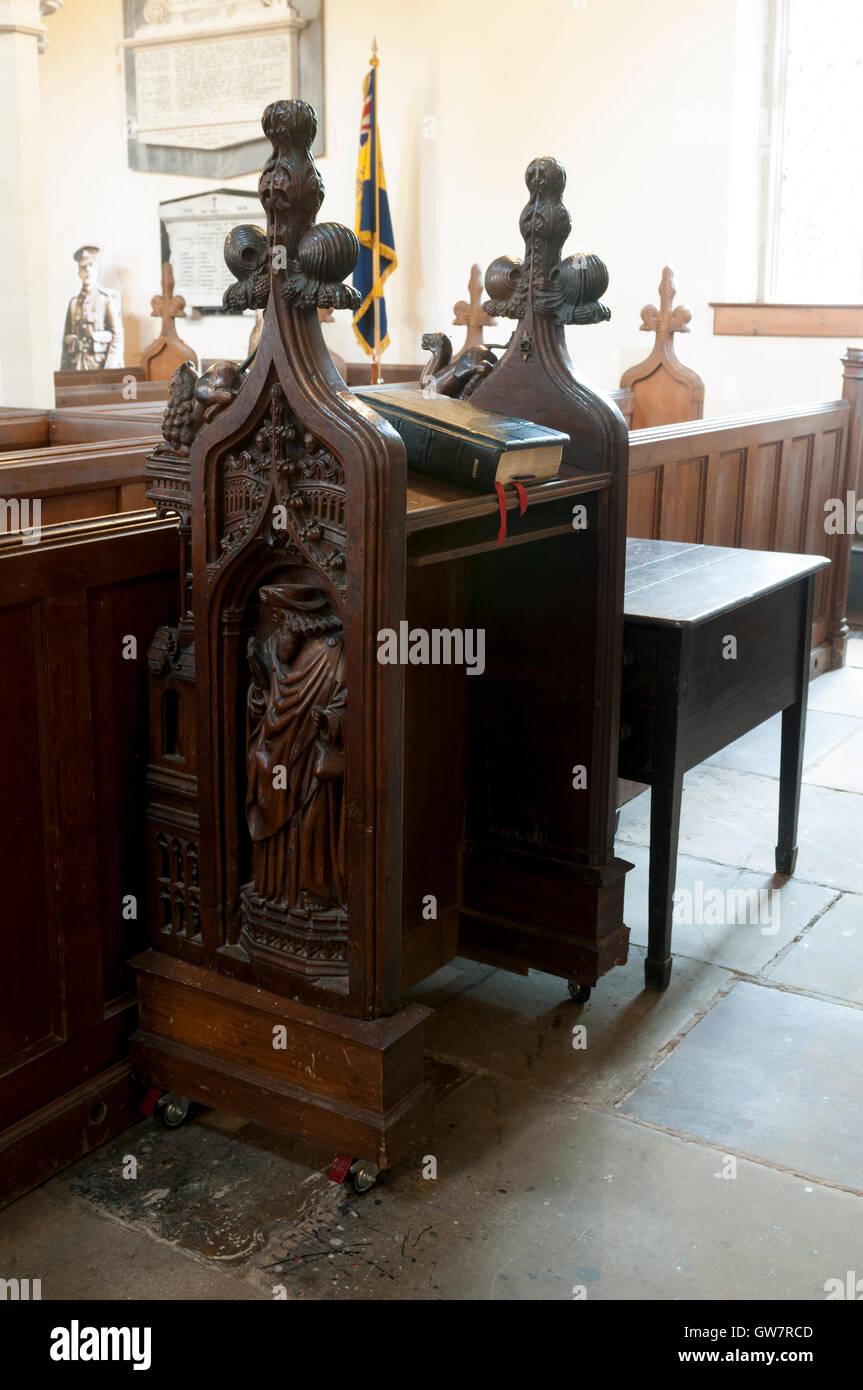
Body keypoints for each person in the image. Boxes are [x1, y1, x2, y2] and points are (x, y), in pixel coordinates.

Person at [245, 582, 346, 915]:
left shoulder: (333, 653)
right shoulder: (272, 647)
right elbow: (262, 707)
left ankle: (313, 892)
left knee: (312, 822)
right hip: (272, 757)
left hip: (309, 756)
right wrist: (259, 686)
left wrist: (329, 720)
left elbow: (349, 706)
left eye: (282, 617)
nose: (278, 625)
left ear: (301, 619)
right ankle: (271, 889)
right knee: (271, 805)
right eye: (274, 617)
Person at [60, 245, 124, 370]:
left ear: (97, 269)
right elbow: (65, 344)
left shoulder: (106, 300)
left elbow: (116, 339)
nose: (87, 270)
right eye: (83, 267)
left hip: (100, 367)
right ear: (79, 272)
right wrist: (62, 375)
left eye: (91, 265)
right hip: (76, 368)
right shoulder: (73, 304)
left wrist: (109, 371)